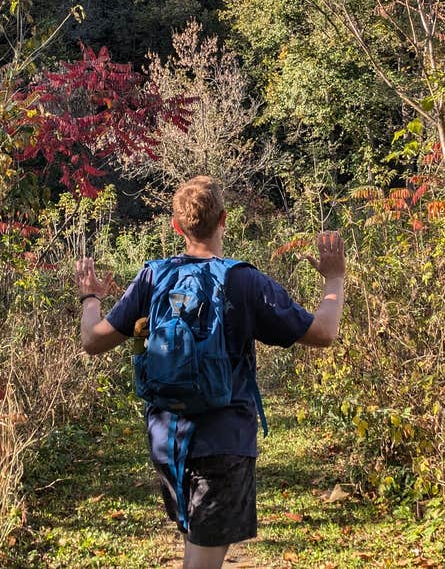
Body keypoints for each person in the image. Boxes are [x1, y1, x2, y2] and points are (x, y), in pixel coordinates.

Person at [75, 175, 346, 569]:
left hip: (167, 441)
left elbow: (93, 340)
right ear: (224, 219)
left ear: (176, 225)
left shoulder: (153, 277)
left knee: (197, 544)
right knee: (202, 559)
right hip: (224, 441)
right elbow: (323, 333)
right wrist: (334, 278)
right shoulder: (244, 281)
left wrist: (91, 297)